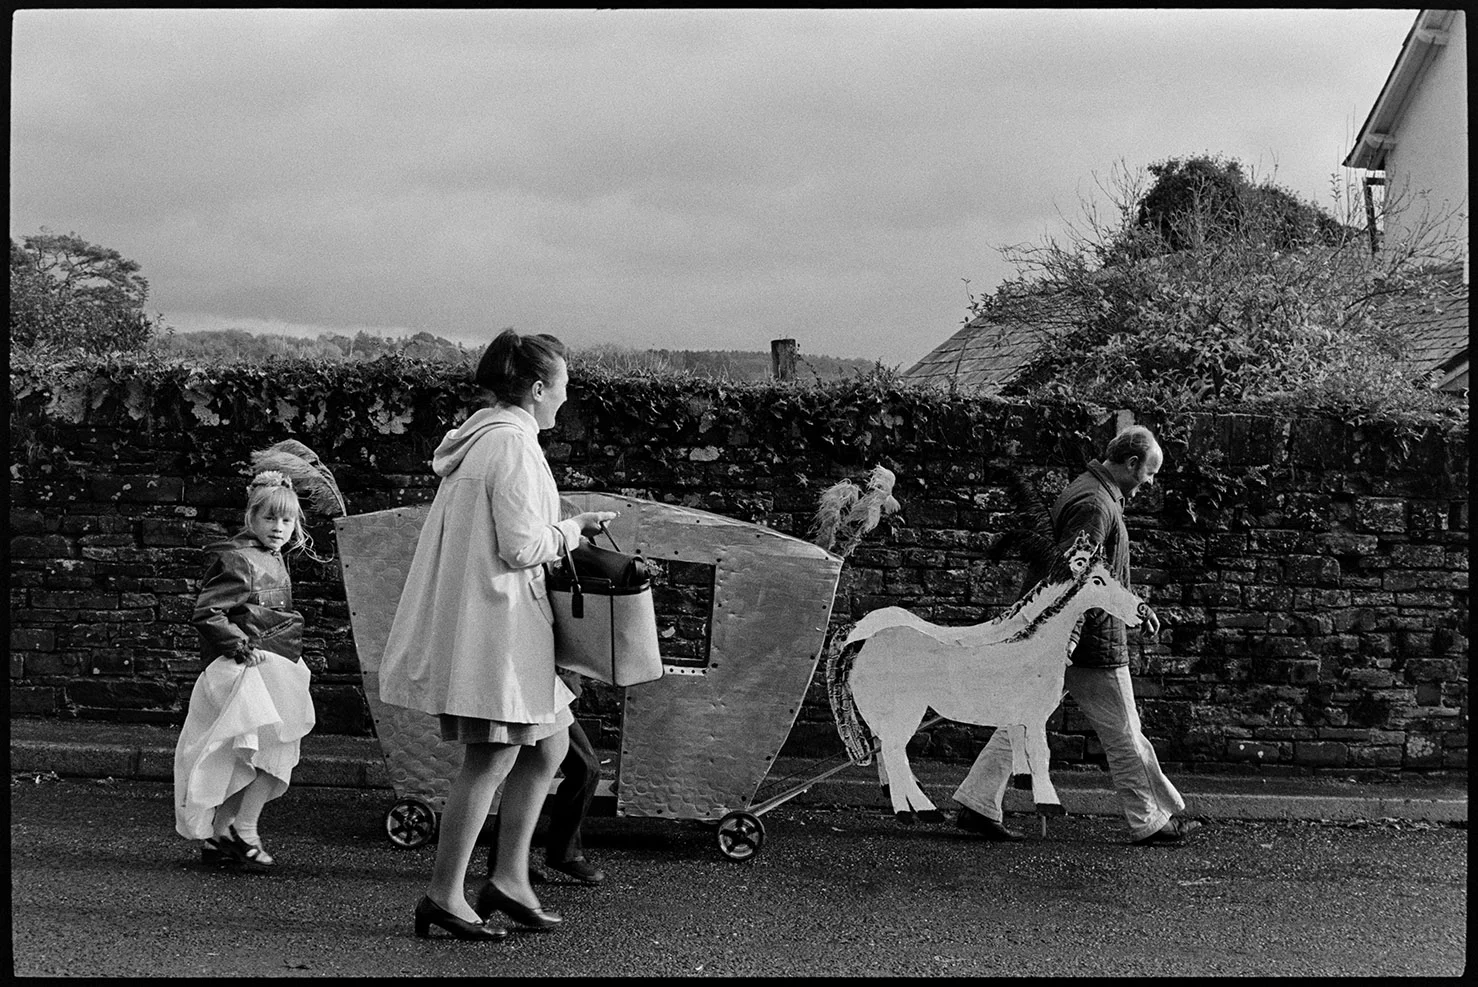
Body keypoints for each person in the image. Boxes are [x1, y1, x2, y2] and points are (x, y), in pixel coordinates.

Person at [378, 329, 617, 942]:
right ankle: (443, 894)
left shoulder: (486, 439)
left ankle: (509, 878)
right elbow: (522, 547)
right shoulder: (510, 446)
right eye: (562, 387)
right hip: (499, 631)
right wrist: (575, 528)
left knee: (549, 747)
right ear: (538, 389)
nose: (566, 398)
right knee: (491, 760)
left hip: (502, 626)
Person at [953, 425, 1201, 846]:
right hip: (1089, 645)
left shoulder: (1091, 491)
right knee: (1124, 731)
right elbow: (1075, 578)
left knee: (1021, 720)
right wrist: (1066, 642)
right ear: (1130, 463)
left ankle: (977, 802)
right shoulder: (1095, 504)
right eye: (1150, 472)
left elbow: (1094, 570)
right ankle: (1150, 820)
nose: (1151, 482)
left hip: (1073, 640)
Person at [174, 470, 317, 872]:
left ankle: (226, 830)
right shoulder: (239, 558)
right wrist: (238, 645)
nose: (279, 528)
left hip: (274, 666)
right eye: (270, 518)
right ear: (251, 516)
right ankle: (240, 830)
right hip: (246, 669)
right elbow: (209, 611)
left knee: (271, 751)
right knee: (259, 753)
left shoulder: (271, 558)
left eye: (287, 520)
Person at [486, 670, 607, 887]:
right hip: (538, 687)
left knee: (581, 769)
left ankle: (507, 860)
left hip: (550, 690)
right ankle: (561, 854)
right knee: (582, 768)